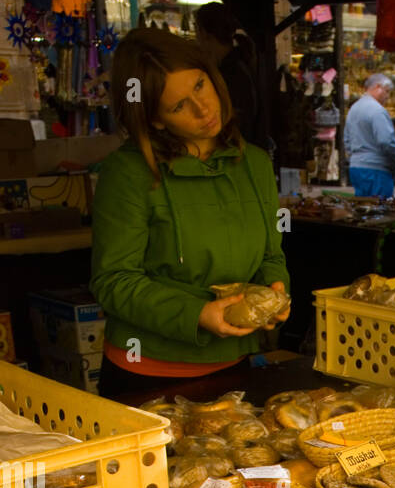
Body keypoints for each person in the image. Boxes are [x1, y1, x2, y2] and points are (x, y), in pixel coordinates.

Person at [91, 28, 289, 402]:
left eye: (200, 86)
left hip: (234, 366)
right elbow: (114, 280)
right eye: (179, 105)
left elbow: (270, 255)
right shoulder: (128, 174)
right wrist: (197, 313)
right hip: (150, 375)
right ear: (155, 120)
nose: (203, 109)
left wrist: (276, 291)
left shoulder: (255, 164)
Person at [194, 2, 270, 150]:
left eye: (196, 28)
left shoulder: (231, 74)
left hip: (237, 154)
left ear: (203, 32)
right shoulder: (237, 65)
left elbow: (237, 126)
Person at [342, 74, 395, 198]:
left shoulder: (354, 109)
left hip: (356, 167)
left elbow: (347, 140)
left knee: (362, 208)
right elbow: (386, 141)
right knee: (380, 211)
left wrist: (355, 157)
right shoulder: (377, 111)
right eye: (387, 92)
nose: (387, 97)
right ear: (378, 87)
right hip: (376, 169)